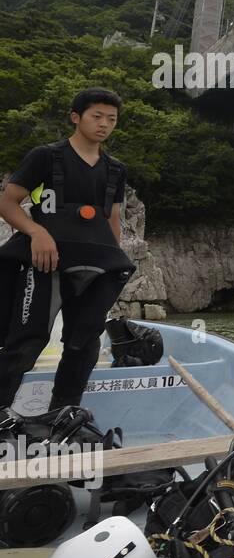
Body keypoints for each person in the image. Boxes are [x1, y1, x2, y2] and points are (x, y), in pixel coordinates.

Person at [0, 87, 135, 412]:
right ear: (76, 117)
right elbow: (7, 200)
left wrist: (111, 262)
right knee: (25, 343)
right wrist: (36, 232)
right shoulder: (46, 157)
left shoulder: (115, 169)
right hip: (46, 262)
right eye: (97, 116)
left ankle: (63, 412)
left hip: (94, 266)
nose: (104, 124)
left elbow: (112, 219)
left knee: (84, 343)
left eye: (111, 119)